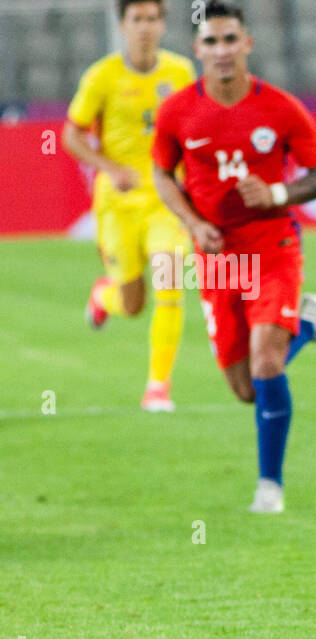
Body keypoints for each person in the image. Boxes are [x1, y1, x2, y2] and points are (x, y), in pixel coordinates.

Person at [151, 1, 316, 513]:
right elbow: (161, 175)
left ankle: (269, 487)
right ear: (197, 50)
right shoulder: (177, 111)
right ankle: (307, 324)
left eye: (230, 39)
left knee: (265, 361)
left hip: (273, 248)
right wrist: (194, 224)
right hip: (216, 256)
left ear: (247, 44)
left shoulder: (280, 108)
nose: (221, 51)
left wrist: (278, 196)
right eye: (211, 42)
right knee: (246, 389)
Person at [64, 0, 194, 412]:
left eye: (153, 19)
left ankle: (158, 386)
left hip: (166, 201)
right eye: (137, 19)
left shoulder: (180, 72)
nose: (145, 27)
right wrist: (109, 168)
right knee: (133, 304)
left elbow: (192, 132)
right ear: (122, 25)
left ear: (162, 25)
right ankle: (104, 297)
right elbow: (71, 135)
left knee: (170, 282)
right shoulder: (102, 77)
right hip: (118, 204)